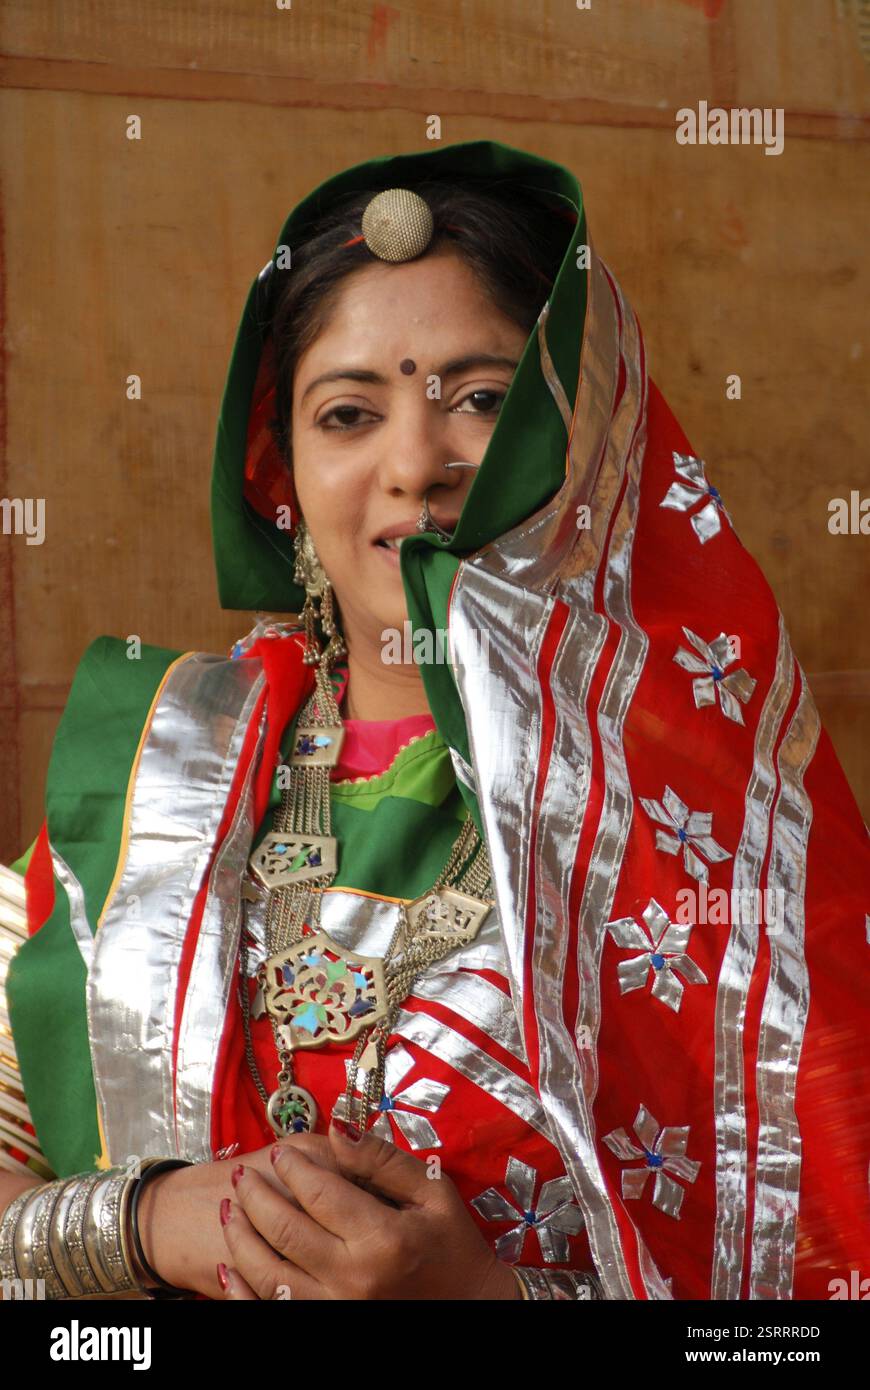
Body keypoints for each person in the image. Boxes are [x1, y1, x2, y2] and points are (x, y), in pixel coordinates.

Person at [1, 139, 867, 1303]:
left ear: (588, 444)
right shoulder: (156, 778)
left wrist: (486, 1302)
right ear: (281, 475)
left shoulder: (723, 833)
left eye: (484, 402)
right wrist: (143, 1221)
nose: (416, 464)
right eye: (349, 412)